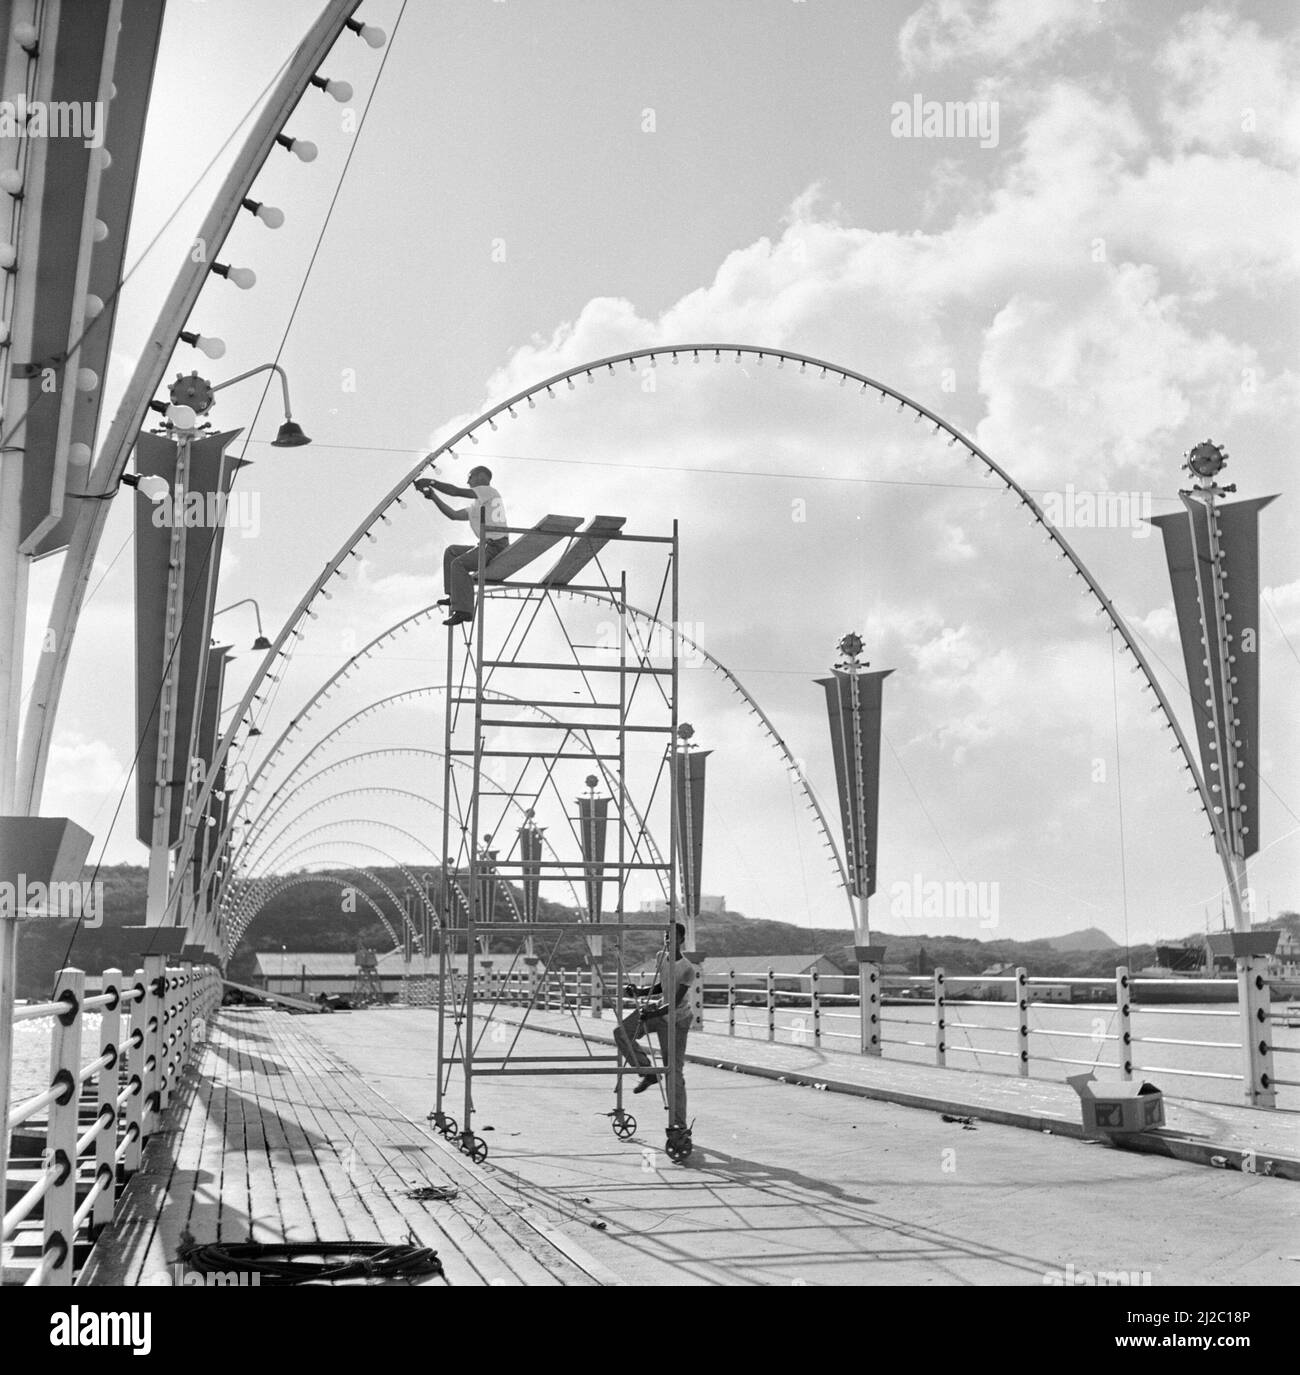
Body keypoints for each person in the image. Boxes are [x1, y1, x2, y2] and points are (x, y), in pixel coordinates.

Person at [614, 922, 696, 1130]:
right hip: (659, 1009)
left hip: (677, 1020)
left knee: (673, 1072)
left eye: (672, 936)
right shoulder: (661, 957)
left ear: (681, 939)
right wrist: (640, 992)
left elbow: (675, 1002)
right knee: (622, 1032)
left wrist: (651, 1013)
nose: (668, 939)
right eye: (665, 936)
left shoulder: (688, 969)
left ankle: (679, 1125)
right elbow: (663, 985)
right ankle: (649, 1072)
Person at [415, 465, 509, 626]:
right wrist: (433, 496)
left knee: (459, 564)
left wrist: (432, 482)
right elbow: (453, 515)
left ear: (480, 476)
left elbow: (455, 491)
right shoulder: (479, 504)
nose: (468, 481)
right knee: (451, 552)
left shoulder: (489, 491)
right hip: (488, 545)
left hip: (495, 545)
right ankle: (454, 596)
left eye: (470, 477)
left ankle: (464, 610)